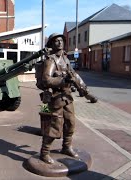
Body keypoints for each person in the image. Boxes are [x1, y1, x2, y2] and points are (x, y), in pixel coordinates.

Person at [39, 33, 97, 164]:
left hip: (67, 97)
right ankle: (44, 152)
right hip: (56, 98)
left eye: (61, 40)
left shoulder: (65, 59)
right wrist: (63, 80)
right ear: (51, 44)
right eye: (56, 41)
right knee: (55, 126)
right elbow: (46, 79)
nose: (59, 42)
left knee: (71, 123)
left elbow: (74, 76)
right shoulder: (51, 60)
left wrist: (86, 92)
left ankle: (66, 147)